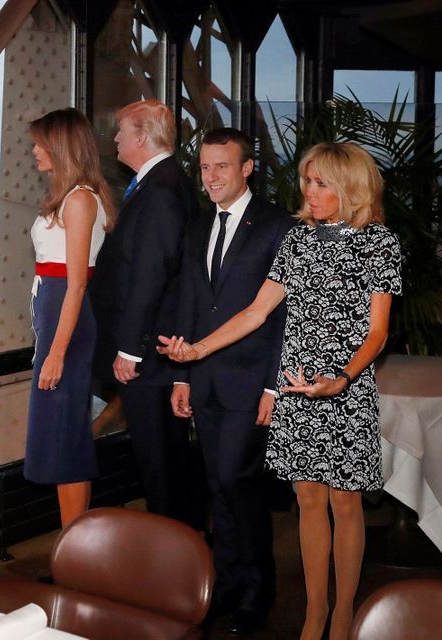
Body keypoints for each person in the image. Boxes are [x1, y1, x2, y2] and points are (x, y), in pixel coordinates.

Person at [158, 141, 402, 640]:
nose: (309, 192)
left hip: (345, 388)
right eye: (307, 181)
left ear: (349, 186)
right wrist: (198, 351)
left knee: (345, 503)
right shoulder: (298, 241)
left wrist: (345, 377)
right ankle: (315, 614)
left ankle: (342, 614)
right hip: (296, 384)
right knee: (308, 501)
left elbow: (378, 332)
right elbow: (255, 312)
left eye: (320, 183)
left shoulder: (380, 243)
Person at [173, 128, 294, 634]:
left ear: (246, 169)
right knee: (217, 486)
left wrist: (273, 385)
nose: (211, 177)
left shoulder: (279, 226)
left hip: (252, 382)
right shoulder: (199, 227)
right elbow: (192, 301)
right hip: (205, 380)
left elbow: (288, 318)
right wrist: (183, 374)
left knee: (237, 481)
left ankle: (257, 588)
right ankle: (225, 583)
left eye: (222, 166)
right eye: (204, 167)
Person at [89, 99, 199, 523]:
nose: (114, 138)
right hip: (156, 352)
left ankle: (173, 569)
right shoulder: (166, 183)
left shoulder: (160, 191)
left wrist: (130, 350)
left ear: (141, 138)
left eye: (120, 131)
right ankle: (180, 557)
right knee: (165, 464)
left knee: (160, 466)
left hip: (149, 357)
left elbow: (150, 275)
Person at [24, 108, 116, 527]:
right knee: (64, 437)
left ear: (61, 146)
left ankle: (74, 550)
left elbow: (76, 283)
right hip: (57, 315)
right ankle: (72, 547)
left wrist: (57, 352)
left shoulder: (79, 199)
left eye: (41, 143)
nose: (34, 150)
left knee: (67, 439)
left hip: (66, 318)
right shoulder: (73, 196)